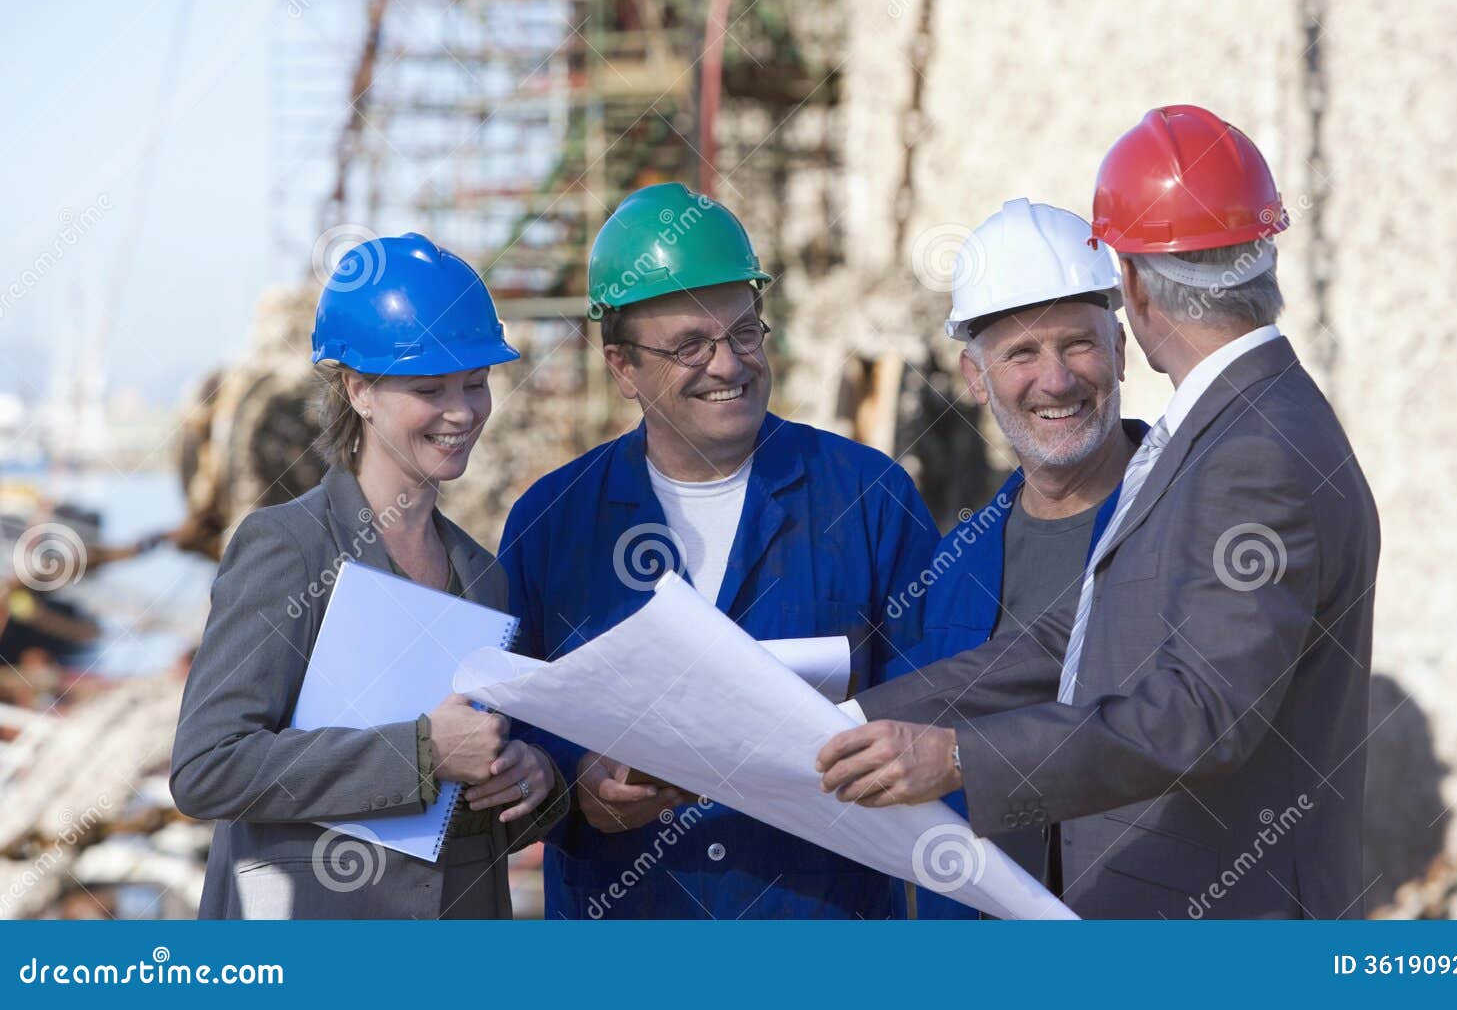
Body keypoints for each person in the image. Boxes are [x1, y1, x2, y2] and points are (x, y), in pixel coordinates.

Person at [820, 106, 1381, 920]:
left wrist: (956, 758)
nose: (1053, 377)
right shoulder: (1233, 426)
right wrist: (841, 721)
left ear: (1134, 289)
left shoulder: (1251, 452)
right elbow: (1083, 633)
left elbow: (1199, 710)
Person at [499, 182, 939, 919]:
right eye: (689, 346)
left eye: (743, 332)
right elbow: (505, 729)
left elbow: (943, 701)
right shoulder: (551, 523)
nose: (729, 365)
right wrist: (579, 782)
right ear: (622, 366)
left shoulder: (869, 496)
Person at [171, 233, 567, 918]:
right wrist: (421, 752)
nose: (462, 412)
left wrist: (535, 779)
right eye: (429, 387)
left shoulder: (481, 573)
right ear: (358, 389)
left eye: (476, 383)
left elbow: (476, 797)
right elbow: (208, 767)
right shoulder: (287, 547)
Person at [888, 199, 1146, 918]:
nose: (1056, 380)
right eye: (1022, 353)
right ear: (976, 377)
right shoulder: (952, 571)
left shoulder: (1185, 521)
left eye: (1078, 344)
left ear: (1121, 349)